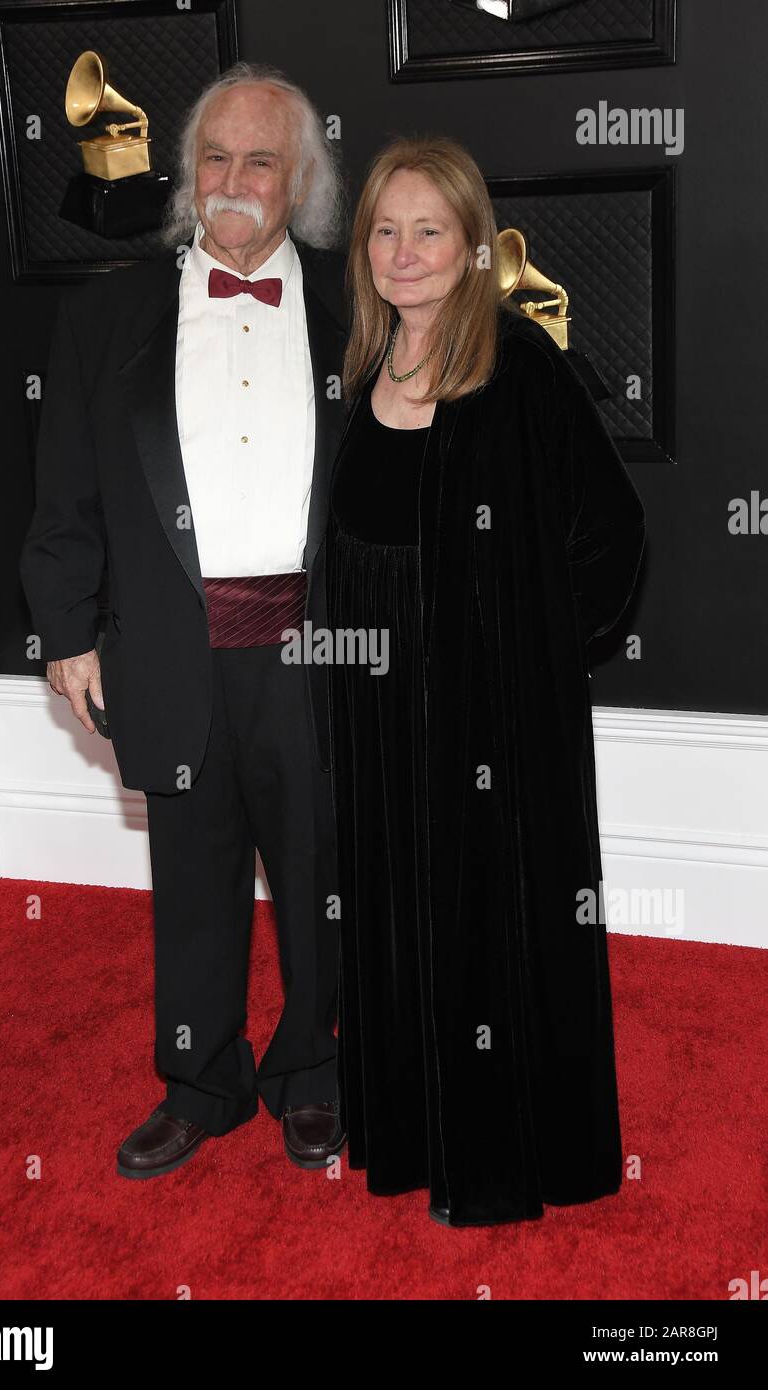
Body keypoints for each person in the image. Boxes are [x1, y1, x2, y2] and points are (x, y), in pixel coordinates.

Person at [20, 62, 350, 1179]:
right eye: (214, 156)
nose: (233, 179)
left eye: (261, 158)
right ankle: (199, 1083)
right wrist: (66, 631)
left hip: (319, 648)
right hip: (171, 643)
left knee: (319, 876)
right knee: (192, 887)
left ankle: (313, 1072)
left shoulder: (362, 304)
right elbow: (62, 488)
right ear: (185, 174)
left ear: (298, 175)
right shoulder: (108, 315)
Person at [325, 136, 646, 1227]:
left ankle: (508, 1154)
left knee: (485, 920)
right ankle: (410, 1129)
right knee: (400, 910)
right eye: (383, 229)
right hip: (377, 711)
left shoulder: (518, 368)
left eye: (428, 230)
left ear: (471, 249)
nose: (402, 252)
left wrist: (530, 667)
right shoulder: (367, 371)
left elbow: (609, 536)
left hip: (486, 720)